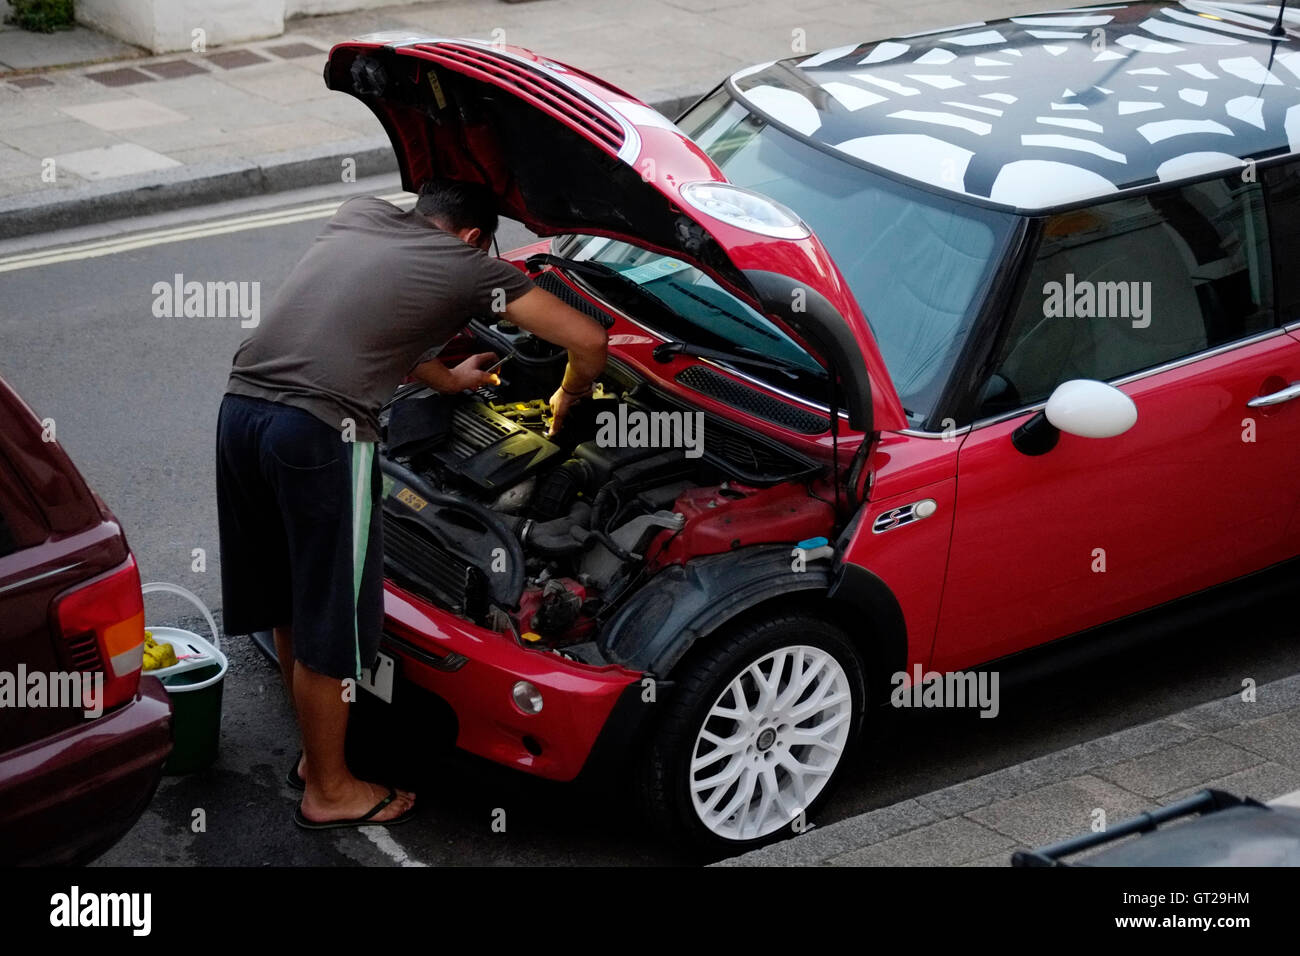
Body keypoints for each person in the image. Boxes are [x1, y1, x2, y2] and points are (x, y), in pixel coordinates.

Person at [215, 179, 608, 829]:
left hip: (243, 413)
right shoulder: (470, 264)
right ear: (476, 237)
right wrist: (568, 399)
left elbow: (379, 324)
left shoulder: (359, 213)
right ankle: (331, 792)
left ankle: (318, 760)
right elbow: (588, 342)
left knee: (291, 598)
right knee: (333, 619)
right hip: (318, 434)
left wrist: (449, 379)